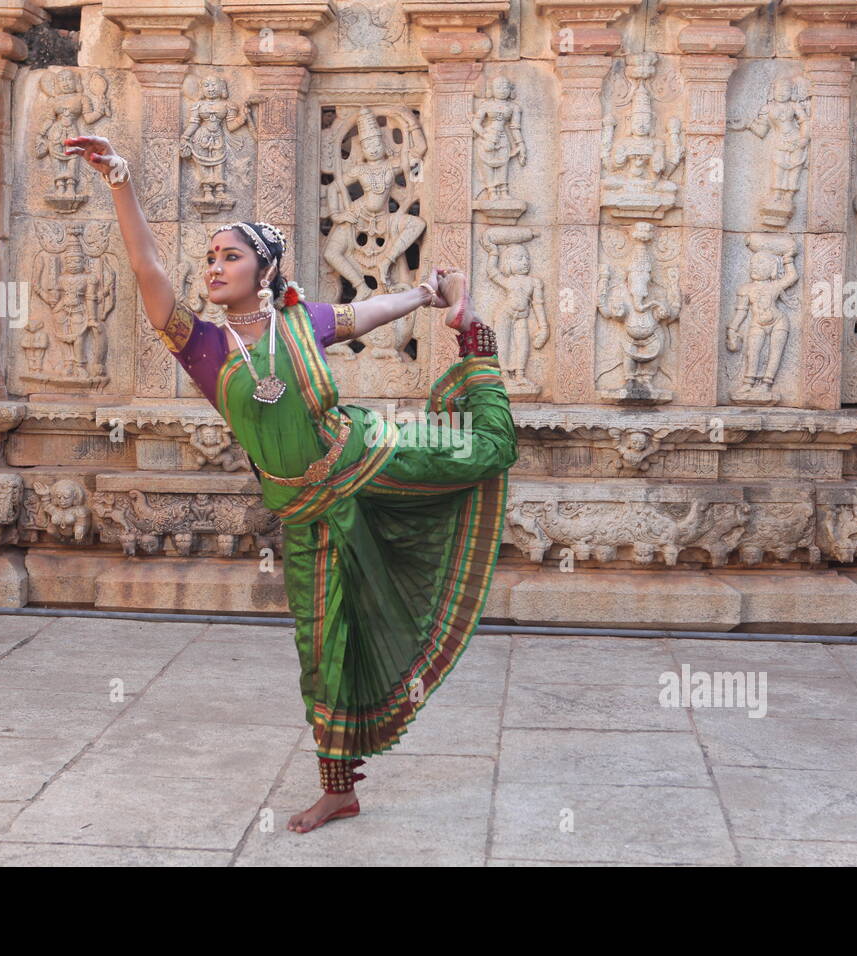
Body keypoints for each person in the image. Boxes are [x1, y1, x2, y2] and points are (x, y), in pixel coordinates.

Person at [64, 134, 519, 833]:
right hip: (307, 512)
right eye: (211, 257)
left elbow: (371, 310)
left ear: (265, 269)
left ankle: (476, 336)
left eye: (231, 256)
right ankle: (339, 786)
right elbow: (145, 266)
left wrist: (431, 297)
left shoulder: (302, 324)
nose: (215, 267)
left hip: (368, 454)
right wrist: (120, 180)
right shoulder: (203, 346)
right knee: (321, 645)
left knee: (483, 450)